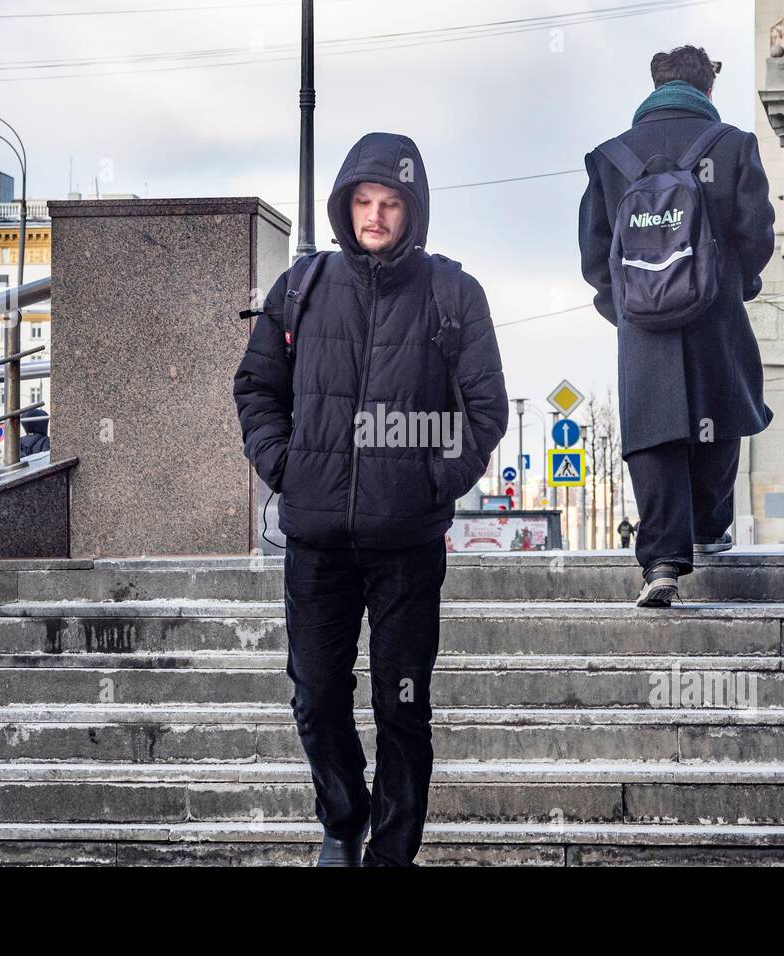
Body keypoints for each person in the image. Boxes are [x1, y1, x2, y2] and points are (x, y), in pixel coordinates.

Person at [233, 132, 508, 866]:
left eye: (391, 204)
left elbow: (484, 415)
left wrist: (428, 481)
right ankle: (342, 817)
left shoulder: (453, 294)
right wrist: (285, 464)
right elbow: (256, 386)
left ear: (411, 211)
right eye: (365, 201)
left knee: (403, 708)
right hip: (317, 540)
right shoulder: (302, 287)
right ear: (345, 204)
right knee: (316, 698)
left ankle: (391, 855)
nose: (377, 216)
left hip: (407, 547)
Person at [578, 45, 775, 607]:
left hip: (643, 322)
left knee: (654, 428)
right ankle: (710, 528)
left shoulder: (610, 158)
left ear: (653, 86)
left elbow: (594, 252)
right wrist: (734, 283)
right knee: (721, 412)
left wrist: (624, 310)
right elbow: (756, 233)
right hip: (716, 311)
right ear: (707, 89)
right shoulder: (734, 145)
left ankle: (662, 560)